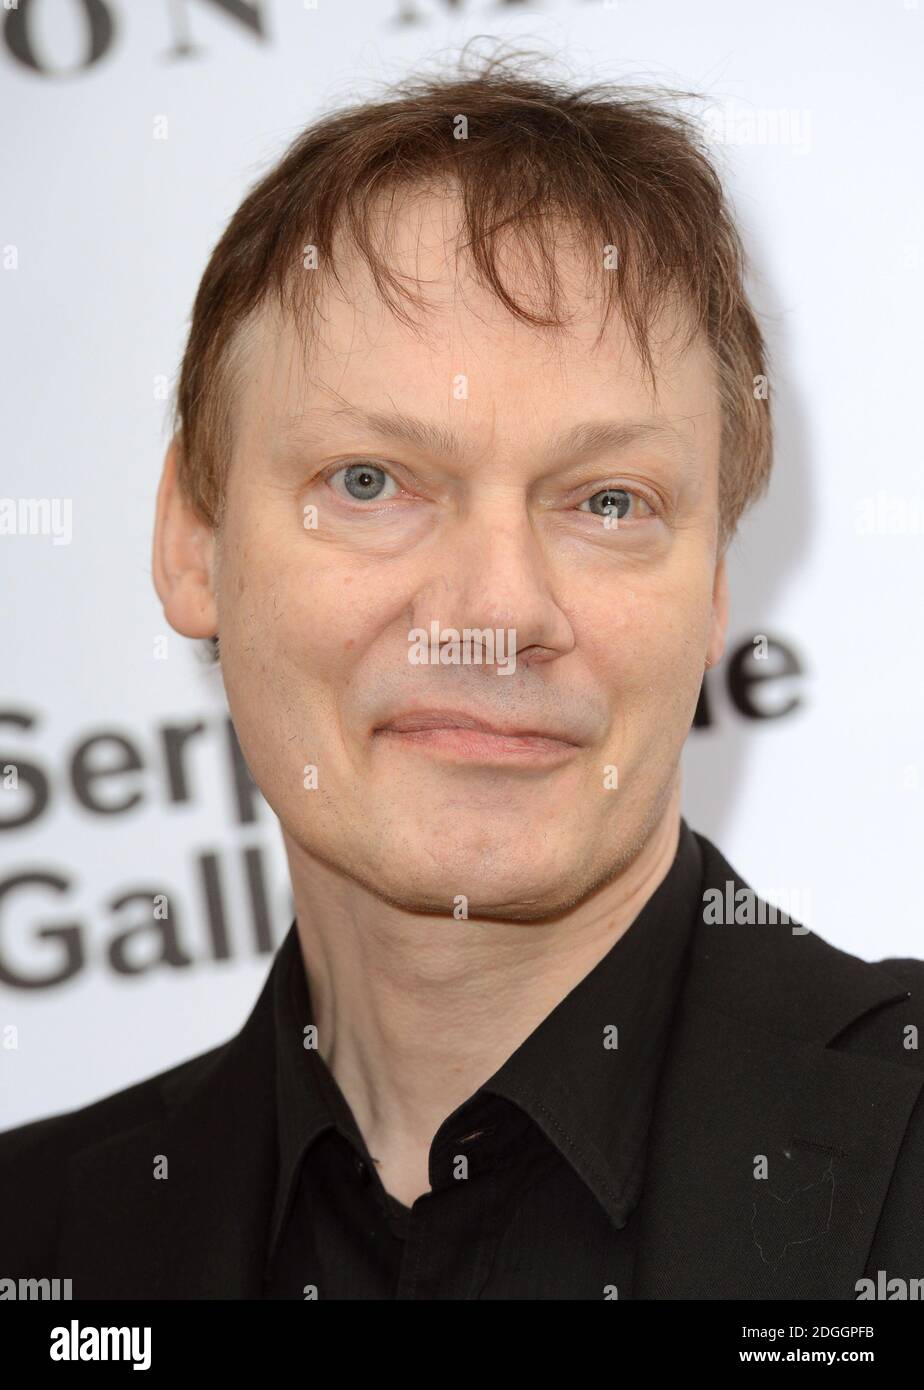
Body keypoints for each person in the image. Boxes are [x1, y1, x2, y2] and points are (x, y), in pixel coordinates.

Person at [2, 53, 922, 1301]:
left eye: (608, 500)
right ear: (191, 539)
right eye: (371, 481)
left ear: (713, 591)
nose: (496, 613)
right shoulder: (38, 1246)